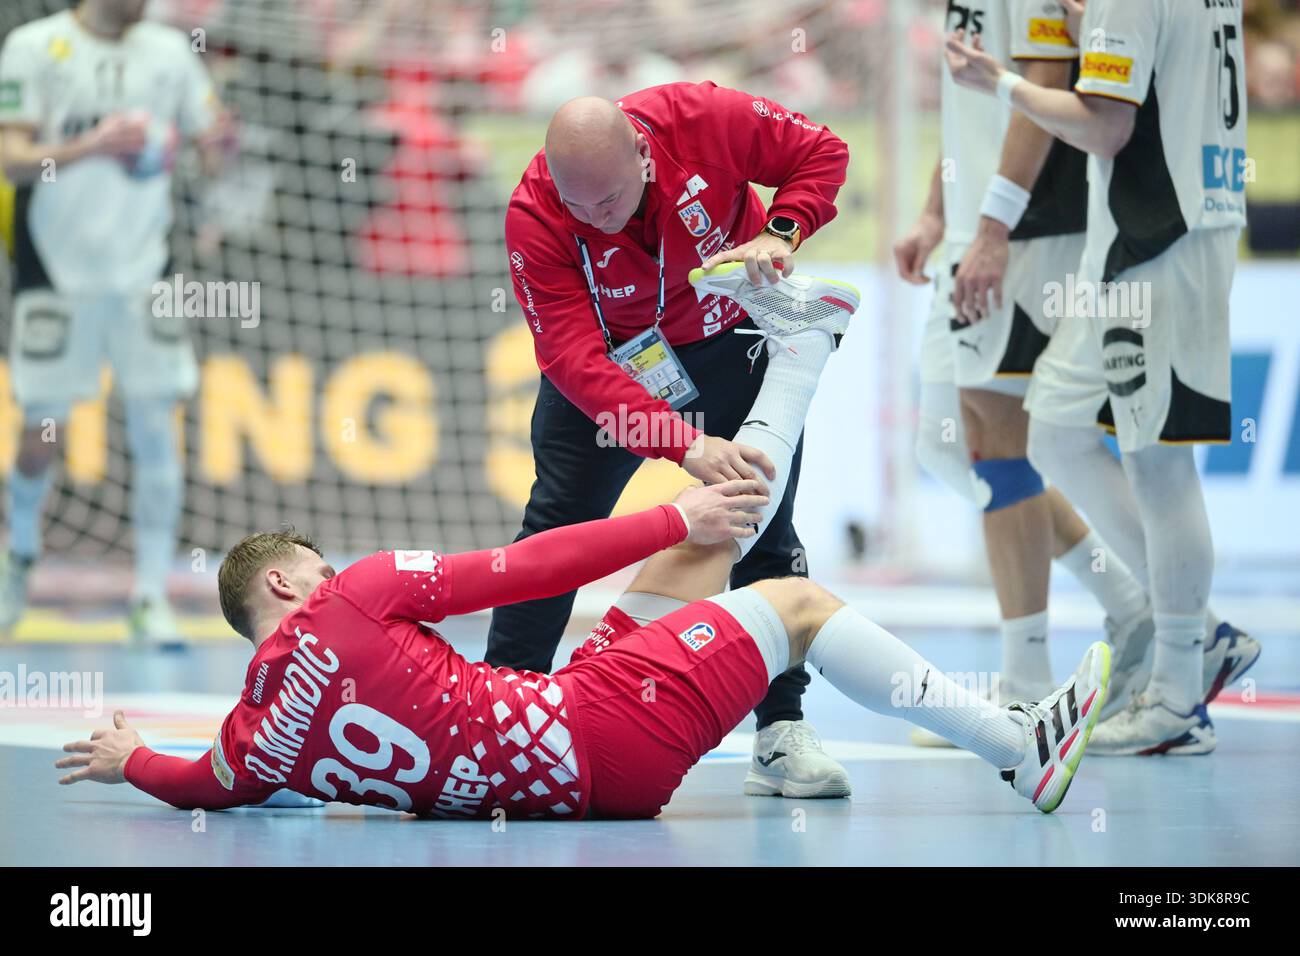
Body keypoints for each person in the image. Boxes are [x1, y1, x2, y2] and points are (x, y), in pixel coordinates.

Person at [495, 82, 858, 795]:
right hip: (613, 370)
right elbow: (572, 360)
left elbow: (823, 152)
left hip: (731, 340)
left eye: (609, 202)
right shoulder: (535, 214)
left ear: (643, 152)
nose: (595, 222)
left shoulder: (702, 118)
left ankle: (781, 734)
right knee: (555, 532)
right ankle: (504, 718)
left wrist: (781, 231)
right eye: (580, 207)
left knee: (764, 521)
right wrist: (679, 443)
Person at [945, 0, 1258, 753]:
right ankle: (1197, 627)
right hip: (1132, 238)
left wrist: (1000, 82)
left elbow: (1103, 125)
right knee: (1054, 428)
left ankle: (1179, 692)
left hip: (1162, 238)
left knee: (1160, 464)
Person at [0, 0, 232, 645]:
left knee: (156, 427)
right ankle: (18, 556)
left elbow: (212, 139)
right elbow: (13, 159)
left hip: (144, 275)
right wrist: (93, 144)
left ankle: (150, 595)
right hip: (56, 272)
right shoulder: (35, 46)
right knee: (42, 431)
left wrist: (217, 145)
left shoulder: (168, 53)